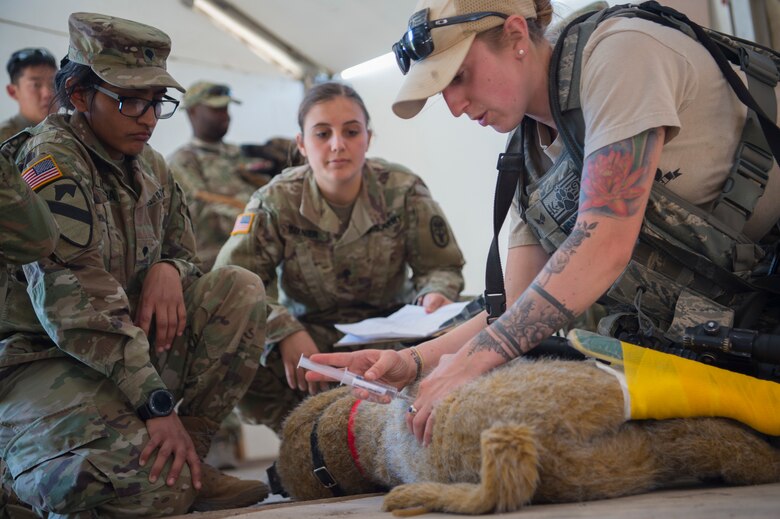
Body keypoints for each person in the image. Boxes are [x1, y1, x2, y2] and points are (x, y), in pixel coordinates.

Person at [308, 0, 780, 447]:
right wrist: (413, 362)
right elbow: (513, 305)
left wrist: (470, 362)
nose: (453, 105)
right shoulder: (528, 157)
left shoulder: (620, 52)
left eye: (460, 77)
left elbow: (602, 241)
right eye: (441, 91)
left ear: (515, 34)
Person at [0, 12, 269, 517]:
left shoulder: (152, 167)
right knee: (142, 492)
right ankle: (12, 473)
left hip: (125, 354)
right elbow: (75, 305)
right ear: (80, 97)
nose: (147, 117)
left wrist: (170, 268)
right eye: (130, 100)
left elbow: (185, 252)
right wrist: (154, 404)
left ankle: (188, 453)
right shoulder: (52, 162)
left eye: (156, 102)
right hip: (45, 360)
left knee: (240, 288)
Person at [214, 81, 466, 434]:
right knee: (227, 342)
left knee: (471, 328)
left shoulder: (401, 189)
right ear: (301, 144)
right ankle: (299, 436)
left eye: (351, 131)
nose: (338, 145)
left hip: (394, 337)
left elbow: (441, 266)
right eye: (322, 133)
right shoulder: (276, 201)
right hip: (311, 342)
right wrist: (282, 331)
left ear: (368, 138)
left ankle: (421, 426)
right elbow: (234, 281)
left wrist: (435, 295)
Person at [168, 81, 278, 271]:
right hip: (216, 267)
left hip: (258, 257)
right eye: (216, 109)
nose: (225, 116)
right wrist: (259, 220)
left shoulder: (238, 152)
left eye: (226, 108)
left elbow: (269, 191)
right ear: (193, 111)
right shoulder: (183, 161)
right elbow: (204, 208)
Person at [1, 47, 57, 142]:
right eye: (35, 85)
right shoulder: (4, 140)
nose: (47, 93)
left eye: (53, 84)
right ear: (13, 91)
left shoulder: (74, 131)